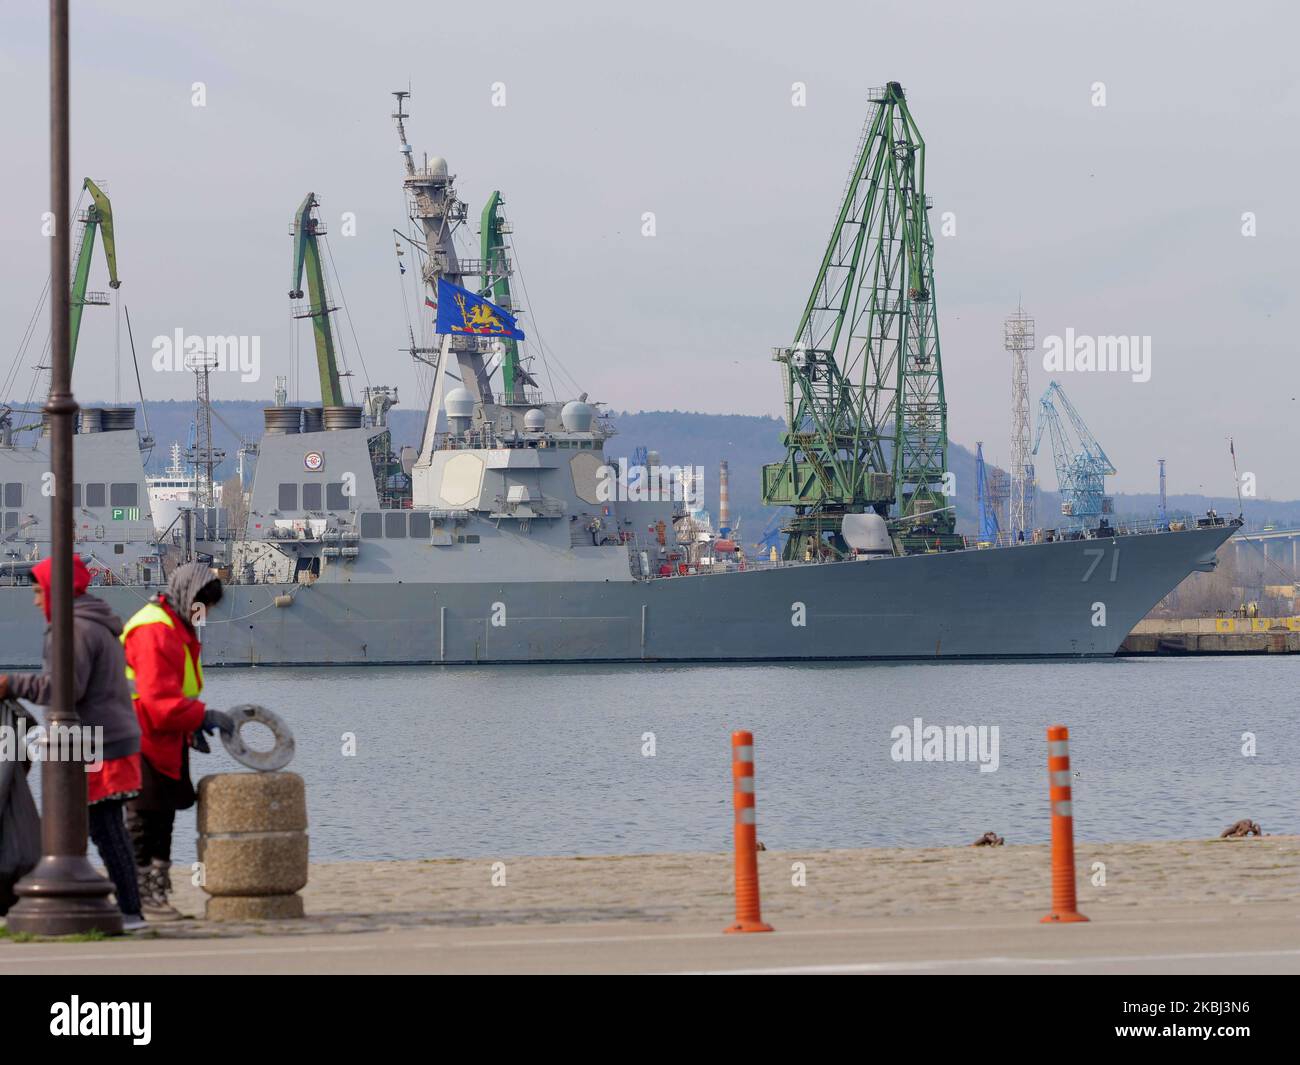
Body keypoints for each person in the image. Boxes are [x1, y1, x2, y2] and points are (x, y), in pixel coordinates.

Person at [0, 555, 146, 930]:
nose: (34, 601)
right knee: (104, 826)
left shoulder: (74, 630)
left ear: (55, 591)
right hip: (109, 736)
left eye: (38, 592)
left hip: (100, 742)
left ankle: (131, 911)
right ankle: (129, 908)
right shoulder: (94, 622)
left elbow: (65, 689)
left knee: (105, 827)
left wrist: (11, 683)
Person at [122, 561, 233, 920]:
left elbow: (173, 694)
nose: (205, 614)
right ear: (188, 598)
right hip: (140, 736)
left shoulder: (174, 624)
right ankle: (139, 895)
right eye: (203, 606)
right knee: (143, 814)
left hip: (163, 735)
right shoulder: (156, 631)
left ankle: (155, 891)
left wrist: (190, 726)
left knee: (163, 811)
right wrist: (203, 717)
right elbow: (158, 702)